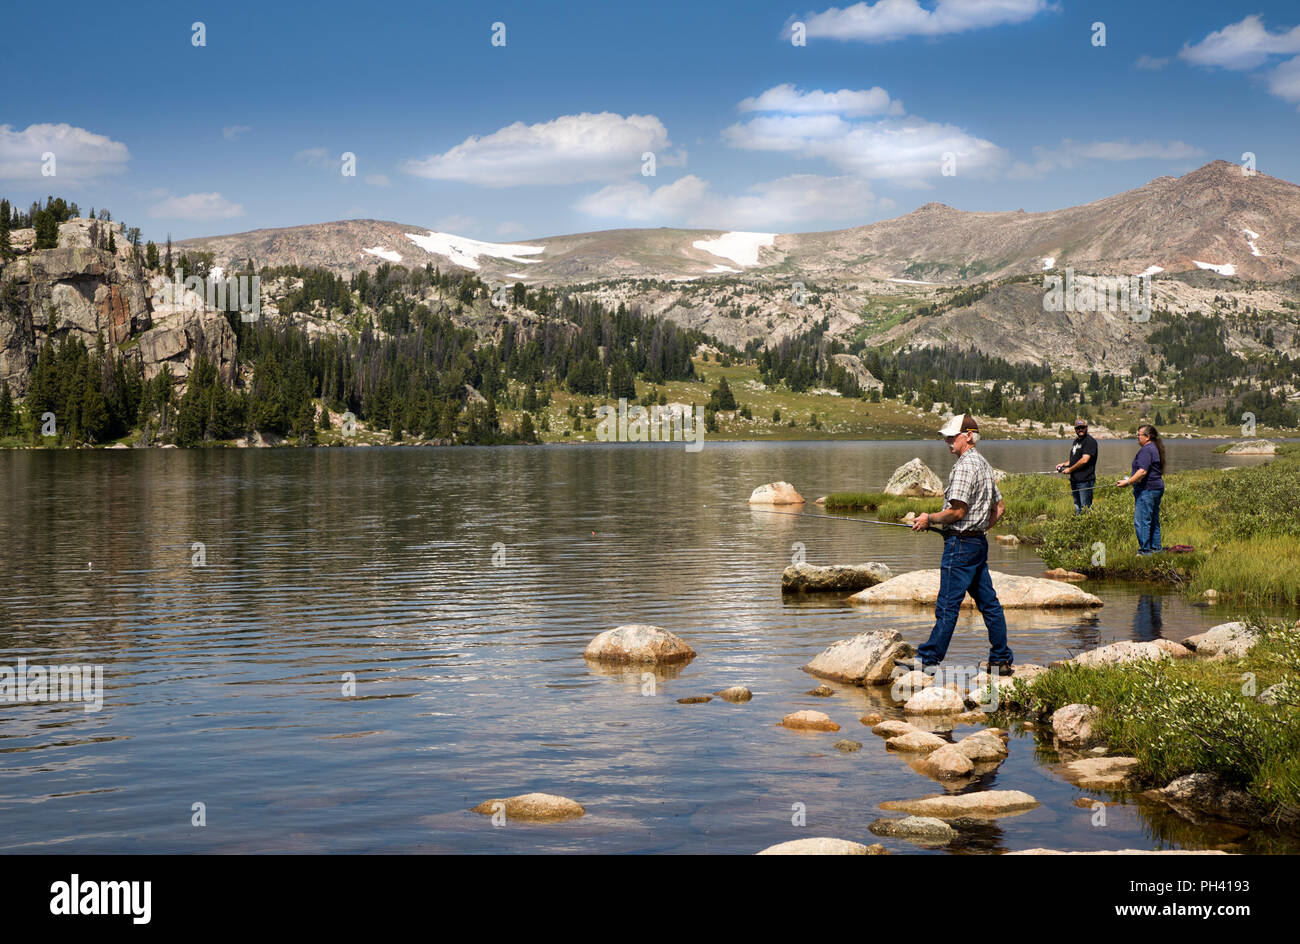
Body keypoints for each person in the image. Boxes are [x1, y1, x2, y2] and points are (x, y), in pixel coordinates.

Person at [905, 413, 1014, 675]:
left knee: (947, 605)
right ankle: (1000, 659)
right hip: (976, 544)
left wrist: (928, 518)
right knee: (989, 604)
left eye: (952, 436)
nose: (947, 441)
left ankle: (928, 660)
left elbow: (957, 512)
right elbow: (999, 508)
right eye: (946, 437)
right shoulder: (984, 464)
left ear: (968, 436)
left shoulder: (965, 466)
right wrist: (980, 530)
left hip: (960, 546)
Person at [1115, 424, 1165, 555]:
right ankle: (1156, 549)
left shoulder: (1146, 450)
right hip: (1156, 488)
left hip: (1147, 490)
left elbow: (1142, 472)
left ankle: (1145, 552)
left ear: (1147, 437)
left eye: (1139, 435)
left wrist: (1127, 482)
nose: (1137, 437)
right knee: (1153, 520)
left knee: (1142, 521)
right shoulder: (1153, 447)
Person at [1056, 418, 1098, 513]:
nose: (1080, 430)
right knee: (1077, 506)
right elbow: (1074, 459)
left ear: (1086, 428)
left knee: (1085, 507)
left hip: (1085, 480)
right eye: (1078, 428)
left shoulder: (1090, 441)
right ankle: (1079, 525)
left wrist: (1070, 470)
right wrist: (1064, 464)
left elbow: (1084, 460)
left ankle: (1089, 526)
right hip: (1075, 480)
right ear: (1075, 429)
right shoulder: (1076, 441)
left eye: (1082, 427)